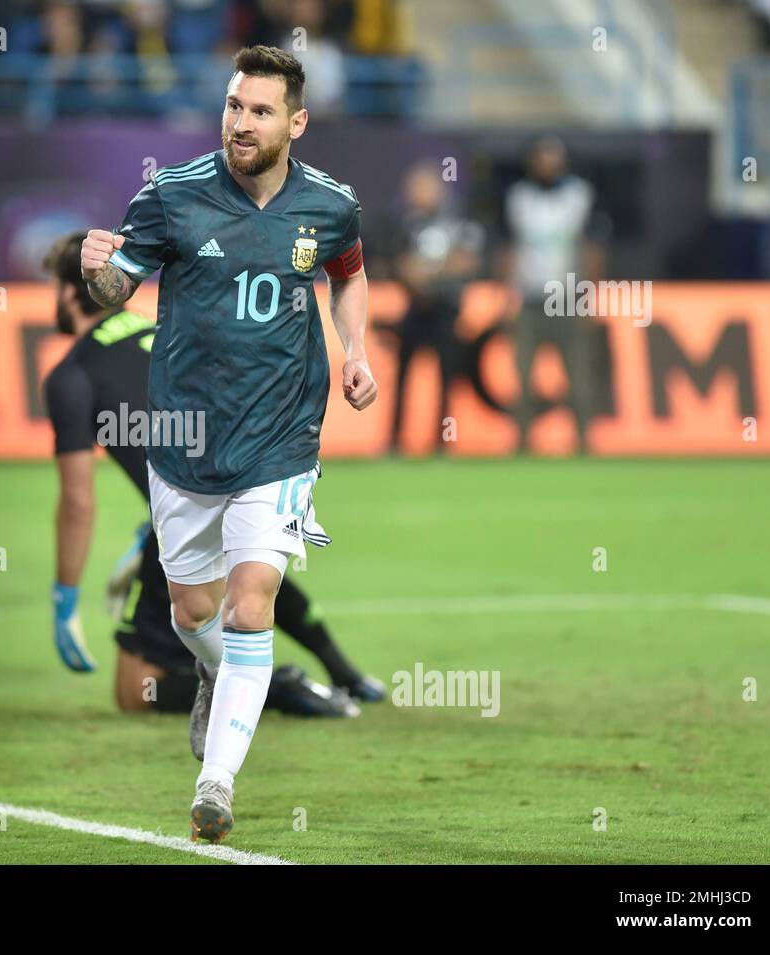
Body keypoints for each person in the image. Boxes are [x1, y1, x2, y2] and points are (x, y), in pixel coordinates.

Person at [80, 45, 377, 843]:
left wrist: (355, 350)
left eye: (259, 111)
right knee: (191, 610)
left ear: (296, 122)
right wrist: (96, 268)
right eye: (234, 106)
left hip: (280, 440)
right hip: (183, 440)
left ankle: (216, 781)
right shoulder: (173, 195)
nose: (241, 122)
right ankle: (214, 672)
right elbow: (117, 285)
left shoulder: (330, 205)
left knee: (253, 604)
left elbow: (349, 273)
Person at [41, 232, 384, 721]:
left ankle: (278, 689)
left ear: (70, 290)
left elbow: (78, 501)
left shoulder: (72, 375)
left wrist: (65, 597)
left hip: (184, 507)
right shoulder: (164, 334)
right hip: (254, 470)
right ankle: (344, 672)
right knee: (249, 567)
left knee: (137, 690)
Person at [501, 136, 609, 453]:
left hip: (567, 298)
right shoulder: (518, 196)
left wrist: (590, 297)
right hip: (530, 298)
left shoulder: (579, 195)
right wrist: (508, 294)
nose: (548, 164)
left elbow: (592, 249)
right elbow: (509, 247)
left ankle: (583, 442)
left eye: (553, 157)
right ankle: (522, 443)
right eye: (542, 157)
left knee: (579, 376)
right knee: (522, 378)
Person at [387, 160, 483, 454]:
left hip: (446, 309)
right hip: (416, 308)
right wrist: (410, 275)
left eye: (422, 188)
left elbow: (469, 261)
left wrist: (430, 272)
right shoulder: (408, 223)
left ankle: (441, 441)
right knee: (403, 376)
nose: (416, 194)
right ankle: (395, 440)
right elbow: (397, 261)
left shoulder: (458, 221)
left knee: (446, 376)